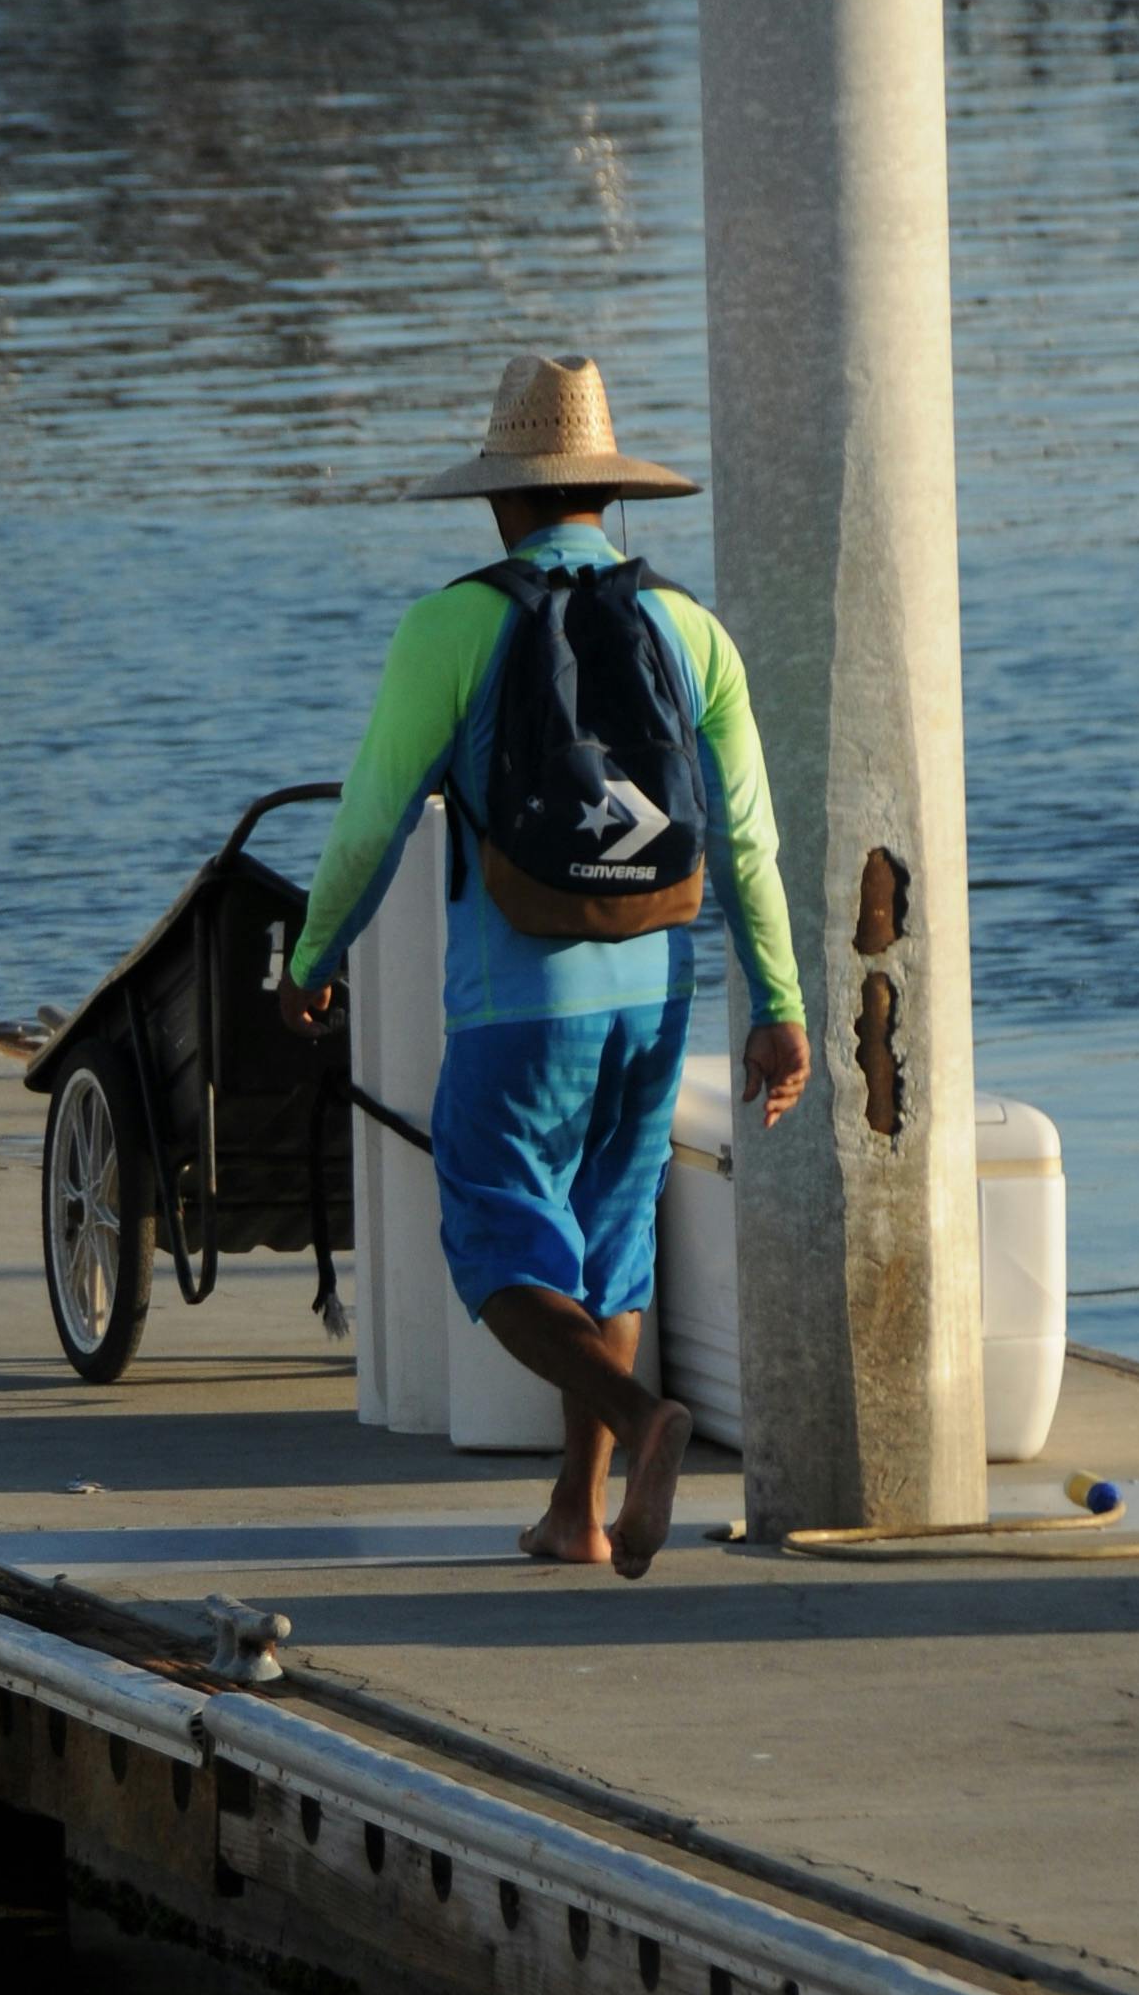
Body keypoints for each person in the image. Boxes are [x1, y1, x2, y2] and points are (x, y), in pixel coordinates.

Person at [279, 353, 808, 1578]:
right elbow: (746, 841)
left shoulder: (454, 623)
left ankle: (634, 1421)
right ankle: (578, 1510)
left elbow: (368, 820)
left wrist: (313, 954)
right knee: (611, 1237)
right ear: (607, 493)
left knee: (499, 1243)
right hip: (654, 989)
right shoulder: (691, 629)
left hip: (520, 1002)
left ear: (497, 497)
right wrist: (776, 1008)